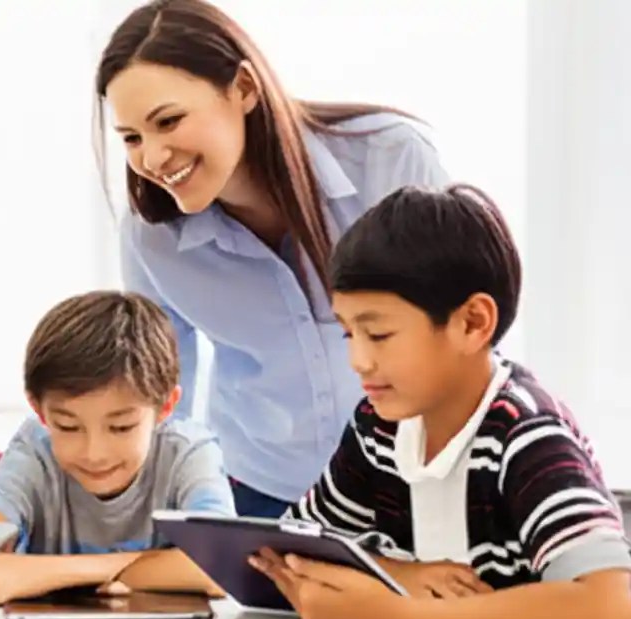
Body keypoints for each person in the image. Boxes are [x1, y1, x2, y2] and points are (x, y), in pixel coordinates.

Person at [97, 0, 450, 517]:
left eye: (168, 121)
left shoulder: (390, 159)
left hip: (417, 481)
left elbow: (463, 341)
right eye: (131, 138)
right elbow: (162, 399)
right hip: (260, 495)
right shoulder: (152, 238)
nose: (150, 158)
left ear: (243, 88)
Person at [251, 185, 631, 619]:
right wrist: (399, 575)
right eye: (349, 333)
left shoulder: (527, 434)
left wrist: (390, 616)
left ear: (472, 323)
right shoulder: (379, 427)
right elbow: (293, 549)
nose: (358, 360)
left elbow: (616, 610)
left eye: (378, 333)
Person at [0, 291, 233, 607]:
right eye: (68, 427)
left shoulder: (189, 453)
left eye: (121, 427)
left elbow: (221, 568)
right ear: (39, 411)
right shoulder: (35, 448)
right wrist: (117, 570)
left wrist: (35, 574)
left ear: (165, 407)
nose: (95, 453)